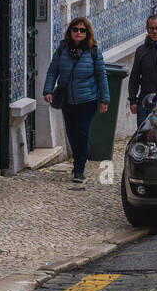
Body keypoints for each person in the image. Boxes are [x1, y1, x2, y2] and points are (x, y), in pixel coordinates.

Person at [44, 17, 109, 183]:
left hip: (88, 99)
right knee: (71, 133)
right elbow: (53, 71)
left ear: (87, 33)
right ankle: (79, 158)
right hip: (67, 99)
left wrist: (105, 99)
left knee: (82, 131)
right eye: (75, 29)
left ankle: (79, 169)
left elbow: (101, 76)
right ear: (70, 32)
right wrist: (48, 90)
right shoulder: (62, 49)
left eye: (82, 30)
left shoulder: (93, 51)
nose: (78, 33)